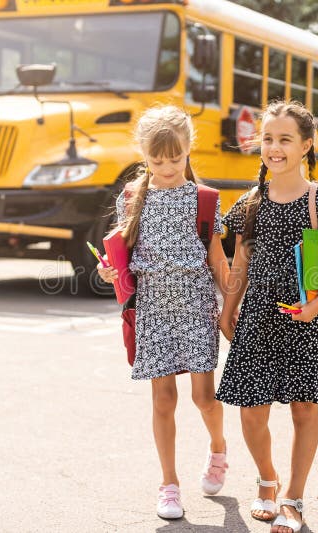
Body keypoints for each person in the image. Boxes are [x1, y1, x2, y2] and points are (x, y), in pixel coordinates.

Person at [216, 100, 318, 533]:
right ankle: (267, 482)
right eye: (268, 139)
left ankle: (294, 500)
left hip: (303, 320)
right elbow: (239, 259)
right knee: (251, 411)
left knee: (303, 409)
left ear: (306, 145)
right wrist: (228, 307)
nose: (274, 148)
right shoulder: (249, 201)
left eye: (285, 140)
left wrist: (317, 305)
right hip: (256, 319)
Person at [96, 105, 230, 520]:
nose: (168, 167)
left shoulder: (205, 200)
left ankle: (219, 447)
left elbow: (219, 260)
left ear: (189, 150)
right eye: (158, 161)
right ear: (144, 156)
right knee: (163, 399)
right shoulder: (131, 199)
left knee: (204, 398)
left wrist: (232, 309)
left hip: (196, 307)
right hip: (153, 309)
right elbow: (120, 258)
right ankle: (169, 484)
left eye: (176, 158)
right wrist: (107, 272)